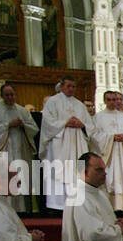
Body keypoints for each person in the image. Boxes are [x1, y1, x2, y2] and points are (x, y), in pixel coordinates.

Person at [0, 84, 39, 213]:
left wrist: (24, 125)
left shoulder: (22, 110)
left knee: (22, 177)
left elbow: (34, 128)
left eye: (12, 94)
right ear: (1, 96)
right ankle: (7, 209)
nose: (10, 97)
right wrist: (8, 125)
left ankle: (25, 210)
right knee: (7, 177)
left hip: (21, 149)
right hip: (5, 150)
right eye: (7, 95)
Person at [39, 77, 91, 213]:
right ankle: (57, 206)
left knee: (76, 172)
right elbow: (47, 122)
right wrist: (64, 123)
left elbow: (90, 125)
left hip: (76, 143)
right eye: (68, 86)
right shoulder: (52, 102)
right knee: (58, 171)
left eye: (73, 86)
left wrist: (82, 125)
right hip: (59, 144)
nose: (71, 89)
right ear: (61, 86)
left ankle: (77, 202)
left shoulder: (79, 105)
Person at [90, 90, 123, 214]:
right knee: (108, 177)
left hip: (122, 153)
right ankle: (108, 207)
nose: (113, 102)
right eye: (110, 100)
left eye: (115, 99)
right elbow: (94, 135)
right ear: (105, 101)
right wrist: (111, 137)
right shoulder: (98, 117)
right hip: (108, 155)